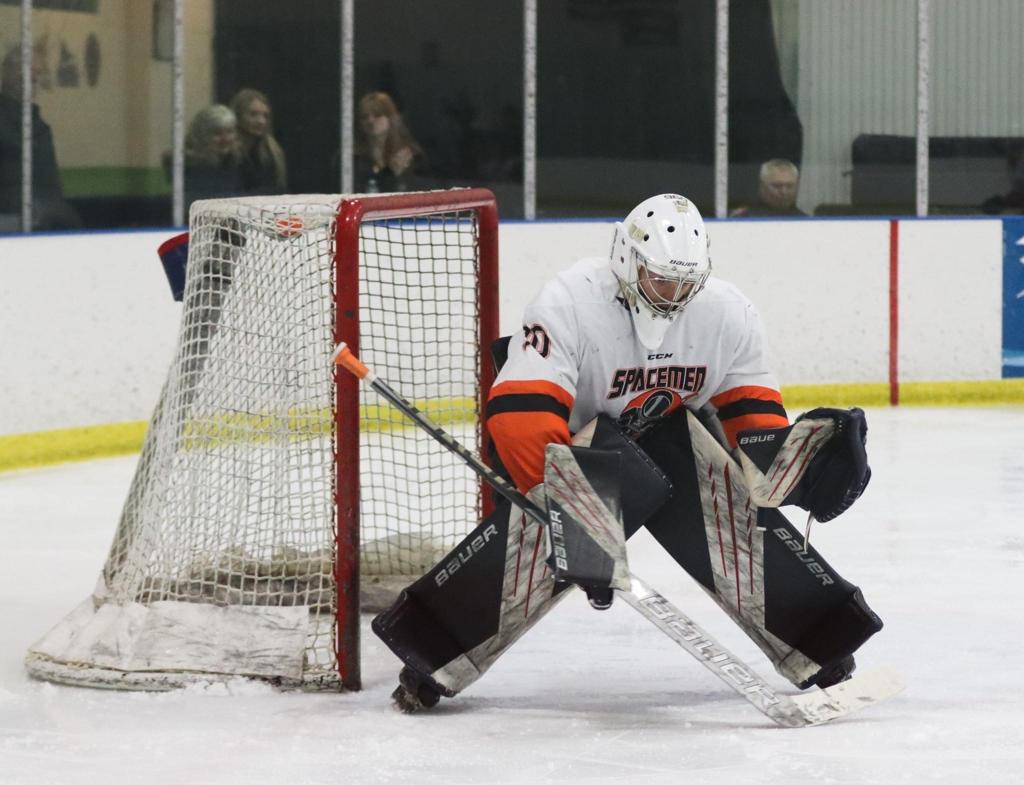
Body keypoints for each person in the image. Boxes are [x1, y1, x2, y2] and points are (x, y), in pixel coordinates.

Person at [372, 193, 878, 713]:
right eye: (662, 278)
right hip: (557, 446)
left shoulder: (729, 314)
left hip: (664, 436)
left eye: (687, 282)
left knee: (720, 493)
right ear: (627, 260)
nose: (674, 294)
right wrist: (575, 512)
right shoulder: (571, 300)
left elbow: (753, 421)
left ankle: (817, 637)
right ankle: (432, 648)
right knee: (552, 520)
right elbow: (519, 415)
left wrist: (797, 467)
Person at [0, 47, 79, 231]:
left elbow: (50, 184)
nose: (32, 78)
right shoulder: (12, 123)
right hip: (13, 226)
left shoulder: (38, 126)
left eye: (36, 72)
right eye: (24, 71)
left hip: (48, 222)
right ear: (6, 72)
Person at [354, 91, 422, 193]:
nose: (370, 121)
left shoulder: (410, 153)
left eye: (377, 115)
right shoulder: (353, 159)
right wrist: (390, 172)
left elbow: (420, 188)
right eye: (365, 117)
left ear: (390, 118)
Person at [183, 104, 243, 211]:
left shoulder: (240, 164)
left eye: (229, 132)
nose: (225, 139)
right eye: (217, 133)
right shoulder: (188, 167)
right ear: (202, 136)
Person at [229, 88, 287, 195]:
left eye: (265, 116)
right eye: (253, 114)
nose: (261, 121)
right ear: (238, 116)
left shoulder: (272, 151)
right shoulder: (227, 150)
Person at [730, 158, 807, 217]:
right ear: (762, 187)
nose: (784, 191)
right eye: (777, 186)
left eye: (790, 186)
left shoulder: (807, 221)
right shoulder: (744, 219)